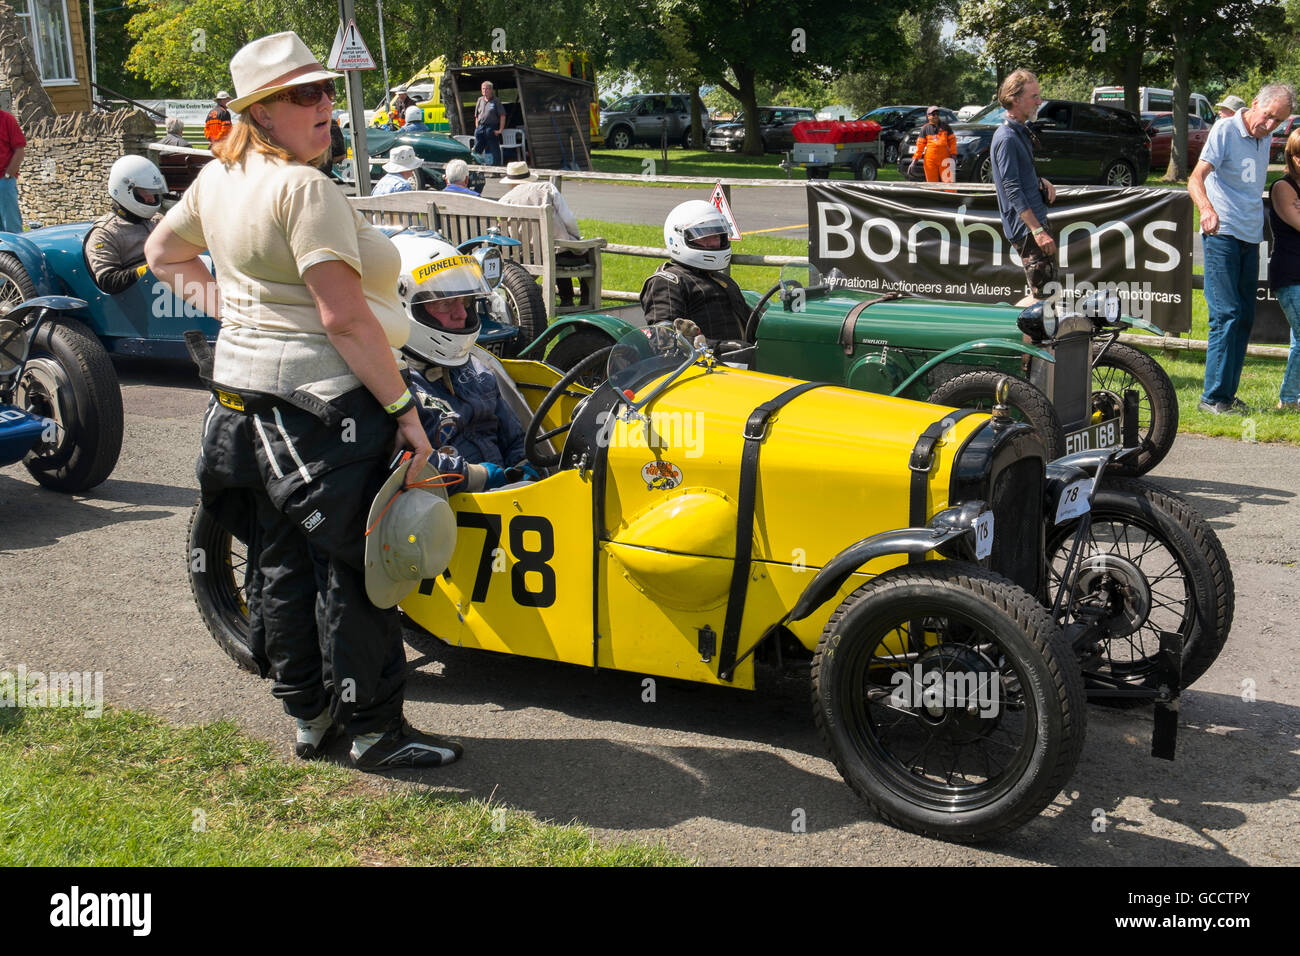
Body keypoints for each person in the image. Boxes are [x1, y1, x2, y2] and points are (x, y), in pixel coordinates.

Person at [145, 31, 460, 771]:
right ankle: (378, 731)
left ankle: (313, 721)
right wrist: (405, 415)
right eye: (303, 95)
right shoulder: (305, 189)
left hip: (243, 402)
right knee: (365, 565)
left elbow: (164, 255)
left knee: (280, 565)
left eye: (324, 91)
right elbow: (344, 317)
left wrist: (235, 313)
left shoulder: (220, 177)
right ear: (259, 111)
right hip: (326, 407)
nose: (325, 105)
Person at [391, 231, 538, 488]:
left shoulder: (479, 370)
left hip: (508, 498)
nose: (461, 314)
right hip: (449, 511)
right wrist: (478, 476)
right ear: (401, 306)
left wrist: (524, 465)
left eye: (465, 302)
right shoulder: (392, 386)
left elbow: (515, 437)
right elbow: (406, 462)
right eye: (445, 304)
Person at [1190, 82, 1297, 415]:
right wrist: (1206, 210)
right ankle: (1212, 398)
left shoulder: (1264, 139)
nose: (1269, 126)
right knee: (1226, 314)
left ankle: (1227, 396)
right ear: (1255, 103)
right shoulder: (1225, 129)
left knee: (1245, 316)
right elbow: (1196, 177)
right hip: (1222, 234)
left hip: (1251, 239)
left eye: (1278, 121)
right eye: (1267, 116)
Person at [990, 69, 1058, 305]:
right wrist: (1037, 231)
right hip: (1028, 229)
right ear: (1015, 99)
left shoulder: (1018, 131)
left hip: (1034, 223)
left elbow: (1018, 177)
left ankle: (1033, 339)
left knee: (1046, 298)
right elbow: (1011, 188)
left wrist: (1041, 182)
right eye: (1034, 96)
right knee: (1044, 302)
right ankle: (1016, 337)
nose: (1039, 101)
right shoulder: (1007, 137)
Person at [639, 199, 748, 343]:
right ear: (678, 238)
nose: (713, 243)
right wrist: (720, 347)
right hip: (708, 362)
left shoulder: (723, 281)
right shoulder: (668, 282)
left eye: (716, 236)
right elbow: (665, 340)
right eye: (704, 237)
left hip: (749, 358)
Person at [498, 160, 589, 307]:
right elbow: (568, 219)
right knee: (581, 250)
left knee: (556, 251)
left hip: (524, 255)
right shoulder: (546, 188)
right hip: (555, 251)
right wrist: (575, 238)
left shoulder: (504, 200)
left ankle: (567, 299)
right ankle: (580, 299)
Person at [85, 155, 165, 294]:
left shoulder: (157, 220)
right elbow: (107, 281)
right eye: (145, 192)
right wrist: (147, 271)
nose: (151, 198)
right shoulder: (105, 233)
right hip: (139, 300)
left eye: (154, 192)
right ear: (125, 190)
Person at [1268, 130, 1300, 411]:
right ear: (1296, 158)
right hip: (1290, 275)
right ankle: (1288, 400)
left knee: (1298, 341)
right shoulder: (1283, 187)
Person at [909, 106, 958, 183]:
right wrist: (914, 161)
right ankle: (933, 195)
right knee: (932, 184)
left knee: (949, 183)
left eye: (937, 114)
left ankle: (950, 195)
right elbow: (920, 147)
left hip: (945, 159)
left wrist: (953, 155)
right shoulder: (925, 129)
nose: (936, 116)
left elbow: (952, 141)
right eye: (933, 114)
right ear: (928, 116)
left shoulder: (946, 127)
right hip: (930, 160)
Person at [0, 105, 26, 233]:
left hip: (3, 182)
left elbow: (19, 150)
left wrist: (7, 175)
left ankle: (15, 253)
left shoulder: (7, 119)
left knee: (11, 229)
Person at [474, 81, 506, 166]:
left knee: (493, 150)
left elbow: (502, 116)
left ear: (491, 90)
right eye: (483, 89)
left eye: (487, 89)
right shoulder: (479, 100)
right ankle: (475, 170)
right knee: (476, 150)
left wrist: (500, 130)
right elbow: (476, 115)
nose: (484, 90)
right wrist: (477, 127)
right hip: (480, 128)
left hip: (491, 128)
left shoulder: (496, 101)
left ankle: (494, 171)